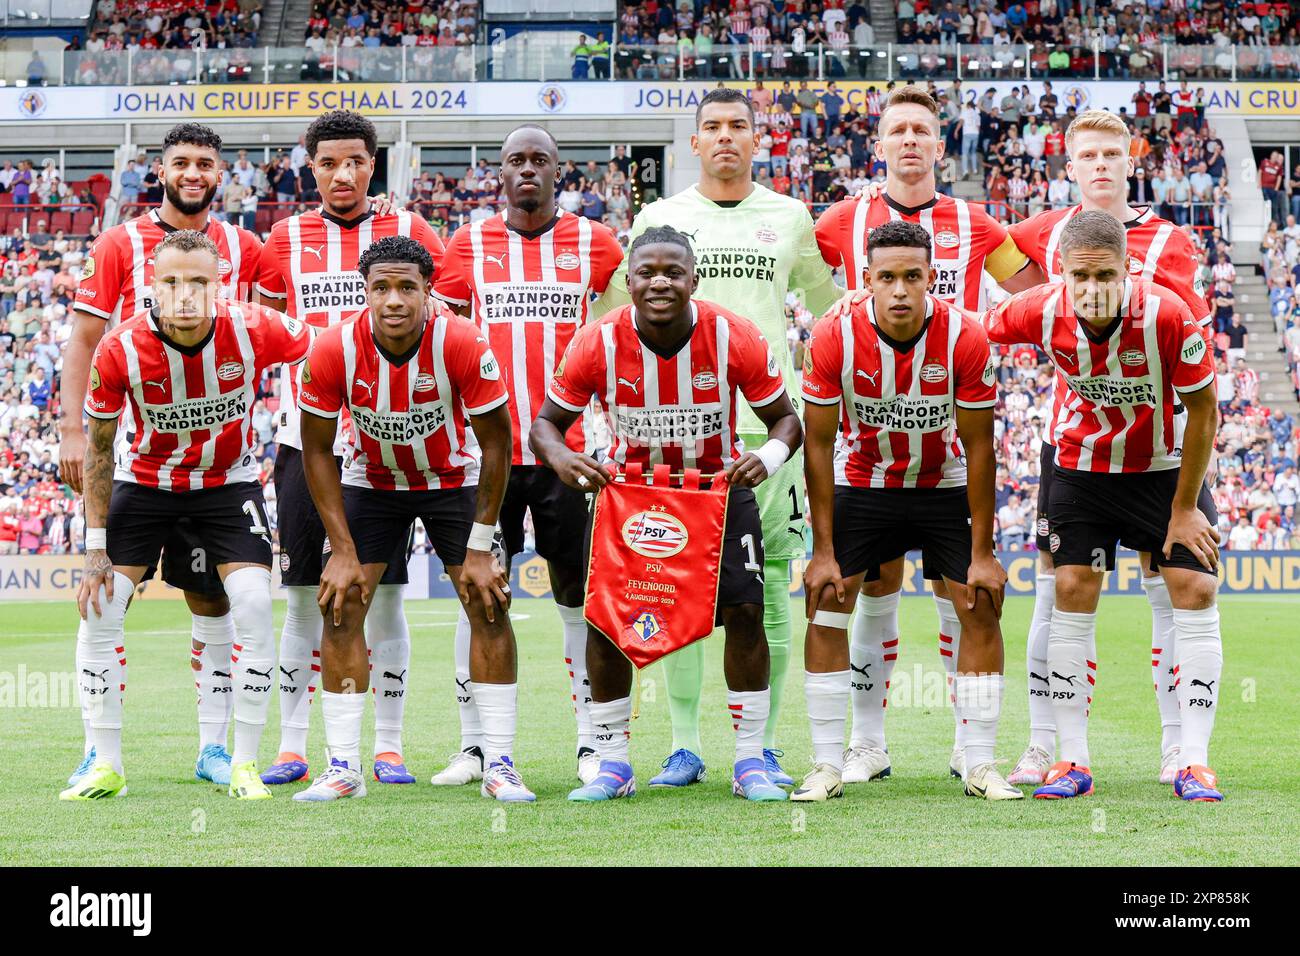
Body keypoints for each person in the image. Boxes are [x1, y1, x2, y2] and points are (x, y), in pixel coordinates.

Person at [596, 88, 842, 790]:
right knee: (672, 588)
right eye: (713, 127)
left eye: (739, 126)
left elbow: (828, 312)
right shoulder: (661, 217)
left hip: (769, 435)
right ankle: (682, 743)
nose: (726, 136)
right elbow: (616, 314)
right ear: (694, 142)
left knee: (764, 595)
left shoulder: (791, 216)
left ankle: (757, 746)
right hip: (674, 433)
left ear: (757, 140)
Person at [813, 84, 1045, 785]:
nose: (910, 141)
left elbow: (1031, 289)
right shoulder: (839, 221)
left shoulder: (975, 222)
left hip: (951, 404)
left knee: (961, 594)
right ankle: (867, 744)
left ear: (940, 145)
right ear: (878, 145)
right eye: (898, 131)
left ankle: (968, 750)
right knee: (872, 587)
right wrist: (839, 314)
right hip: (871, 434)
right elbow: (794, 275)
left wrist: (980, 332)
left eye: (923, 130)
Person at [532, 225, 804, 802]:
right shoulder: (597, 340)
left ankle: (750, 761)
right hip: (628, 495)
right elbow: (544, 424)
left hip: (717, 491)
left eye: (673, 272)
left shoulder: (734, 335)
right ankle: (612, 764)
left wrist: (769, 455)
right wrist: (562, 458)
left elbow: (788, 419)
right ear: (628, 282)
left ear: (693, 279)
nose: (660, 282)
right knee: (607, 622)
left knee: (747, 613)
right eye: (647, 273)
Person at [983, 210, 1225, 803]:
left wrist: (1186, 508)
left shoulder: (1168, 315)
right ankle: (1073, 760)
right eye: (1080, 276)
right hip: (1081, 470)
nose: (1092, 290)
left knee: (1194, 589)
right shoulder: (1039, 307)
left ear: (1129, 271)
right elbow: (971, 329)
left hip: (1162, 471)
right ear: (1060, 272)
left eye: (1106, 276)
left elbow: (1205, 413)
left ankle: (1193, 761)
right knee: (1070, 588)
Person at [62, 229, 311, 801]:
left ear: (219, 284)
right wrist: (95, 548)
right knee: (99, 611)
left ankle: (239, 762)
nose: (185, 295)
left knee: (249, 604)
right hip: (145, 484)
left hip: (227, 485)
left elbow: (334, 346)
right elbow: (99, 451)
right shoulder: (119, 347)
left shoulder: (254, 327)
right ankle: (104, 761)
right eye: (171, 282)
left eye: (198, 281)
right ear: (152, 286)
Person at [62, 123, 266, 791]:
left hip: (218, 466)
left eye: (206, 161)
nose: (193, 172)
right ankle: (101, 754)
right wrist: (71, 428)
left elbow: (281, 326)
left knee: (214, 606)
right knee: (102, 600)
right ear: (161, 169)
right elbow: (87, 338)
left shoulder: (246, 247)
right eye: (181, 161)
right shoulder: (119, 242)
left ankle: (215, 749)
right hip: (138, 461)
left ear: (220, 171)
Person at [294, 235, 529, 802]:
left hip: (452, 479)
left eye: (407, 288)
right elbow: (318, 451)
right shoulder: (332, 350)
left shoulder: (463, 341)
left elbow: (498, 444)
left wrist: (478, 547)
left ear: (429, 292)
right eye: (381, 288)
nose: (394, 300)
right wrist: (342, 550)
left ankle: (499, 761)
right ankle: (344, 765)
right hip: (371, 483)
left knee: (488, 603)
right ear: (365, 292)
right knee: (342, 604)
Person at [253, 110, 446, 787]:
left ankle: (388, 746)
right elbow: (269, 325)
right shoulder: (281, 239)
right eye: (329, 163)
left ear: (374, 164)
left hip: (389, 444)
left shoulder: (410, 231)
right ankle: (293, 744)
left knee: (384, 598)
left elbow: (443, 315)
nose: (343, 174)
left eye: (356, 161)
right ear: (310, 167)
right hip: (303, 440)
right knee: (306, 596)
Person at [795, 219, 1017, 802]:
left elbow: (978, 446)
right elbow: (817, 443)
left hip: (943, 484)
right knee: (826, 601)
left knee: (979, 602)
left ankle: (978, 760)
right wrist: (821, 552)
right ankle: (828, 762)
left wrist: (984, 554)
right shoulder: (831, 334)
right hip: (863, 481)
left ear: (931, 279)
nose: (899, 290)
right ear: (866, 280)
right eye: (886, 277)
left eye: (911, 277)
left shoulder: (964, 337)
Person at [431, 125, 624, 788]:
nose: (528, 171)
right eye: (516, 161)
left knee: (579, 597)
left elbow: (623, 336)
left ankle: (594, 743)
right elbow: (444, 341)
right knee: (479, 597)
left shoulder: (597, 244)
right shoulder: (467, 244)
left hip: (567, 453)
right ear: (498, 172)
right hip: (484, 456)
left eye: (540, 160)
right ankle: (477, 746)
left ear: (559, 171)